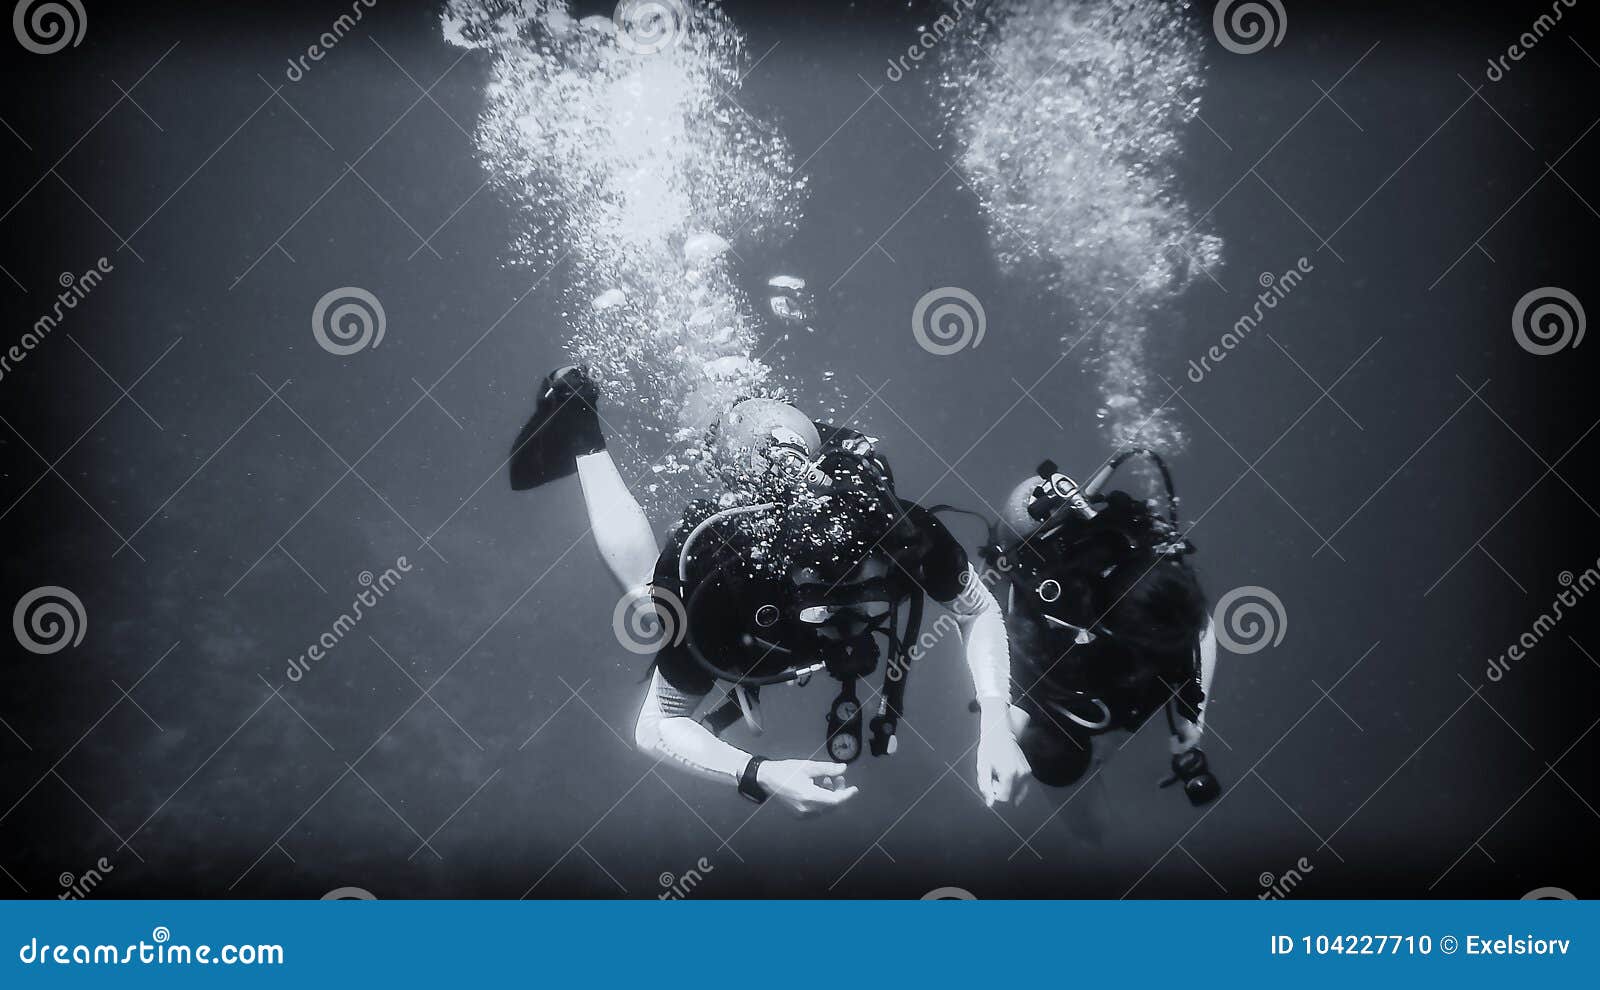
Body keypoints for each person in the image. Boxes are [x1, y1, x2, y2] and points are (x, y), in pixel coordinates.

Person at [510, 367, 1031, 818]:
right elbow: (656, 724)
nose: (845, 622)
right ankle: (580, 427)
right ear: (782, 585)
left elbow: (977, 609)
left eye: (860, 594)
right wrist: (757, 773)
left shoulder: (902, 537)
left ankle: (772, 428)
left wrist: (996, 723)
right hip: (749, 505)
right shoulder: (733, 575)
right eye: (825, 608)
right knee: (652, 603)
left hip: (807, 456)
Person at [969, 450, 1221, 806]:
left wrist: (1194, 716)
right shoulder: (1051, 632)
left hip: (1099, 660)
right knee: (1057, 763)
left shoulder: (1156, 572)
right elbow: (1020, 693)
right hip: (1061, 669)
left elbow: (1200, 628)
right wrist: (1000, 739)